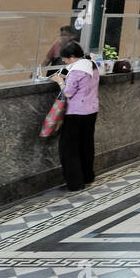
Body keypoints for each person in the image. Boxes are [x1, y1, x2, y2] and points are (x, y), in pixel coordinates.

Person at [51, 42, 99, 191]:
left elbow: (68, 93)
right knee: (86, 144)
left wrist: (60, 81)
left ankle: (75, 183)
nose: (64, 61)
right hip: (91, 110)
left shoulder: (77, 70)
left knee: (69, 148)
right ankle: (87, 176)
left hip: (76, 113)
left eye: (65, 59)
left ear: (72, 57)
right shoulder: (92, 65)